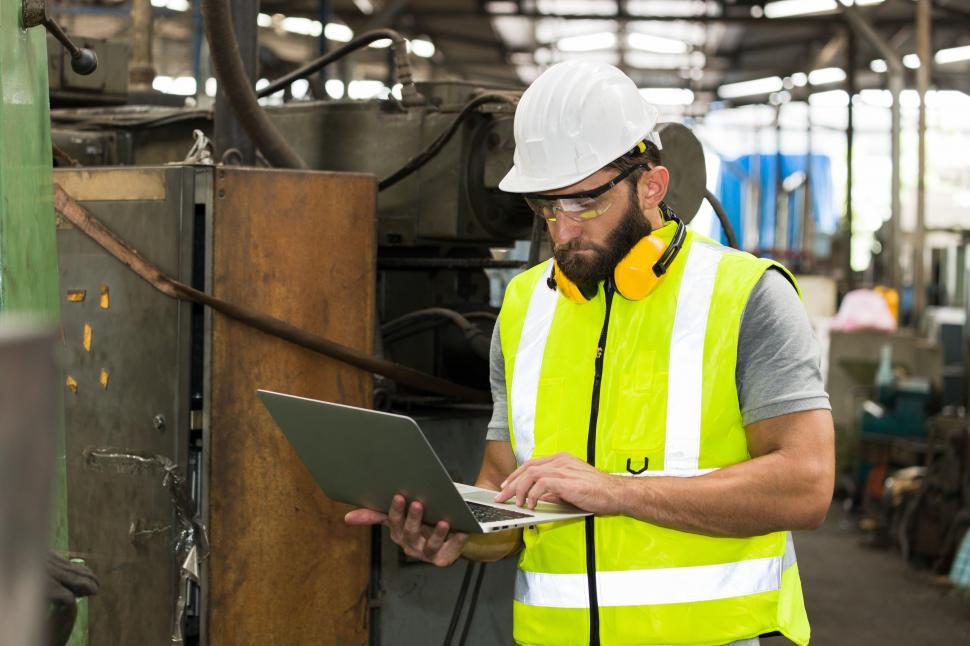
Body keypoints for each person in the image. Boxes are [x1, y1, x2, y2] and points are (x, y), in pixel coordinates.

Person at [346, 60, 834, 646]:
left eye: (583, 204)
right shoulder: (526, 307)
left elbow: (806, 485)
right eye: (546, 206)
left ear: (651, 185)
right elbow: (505, 498)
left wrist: (616, 491)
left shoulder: (748, 295)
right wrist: (453, 532)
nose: (562, 230)